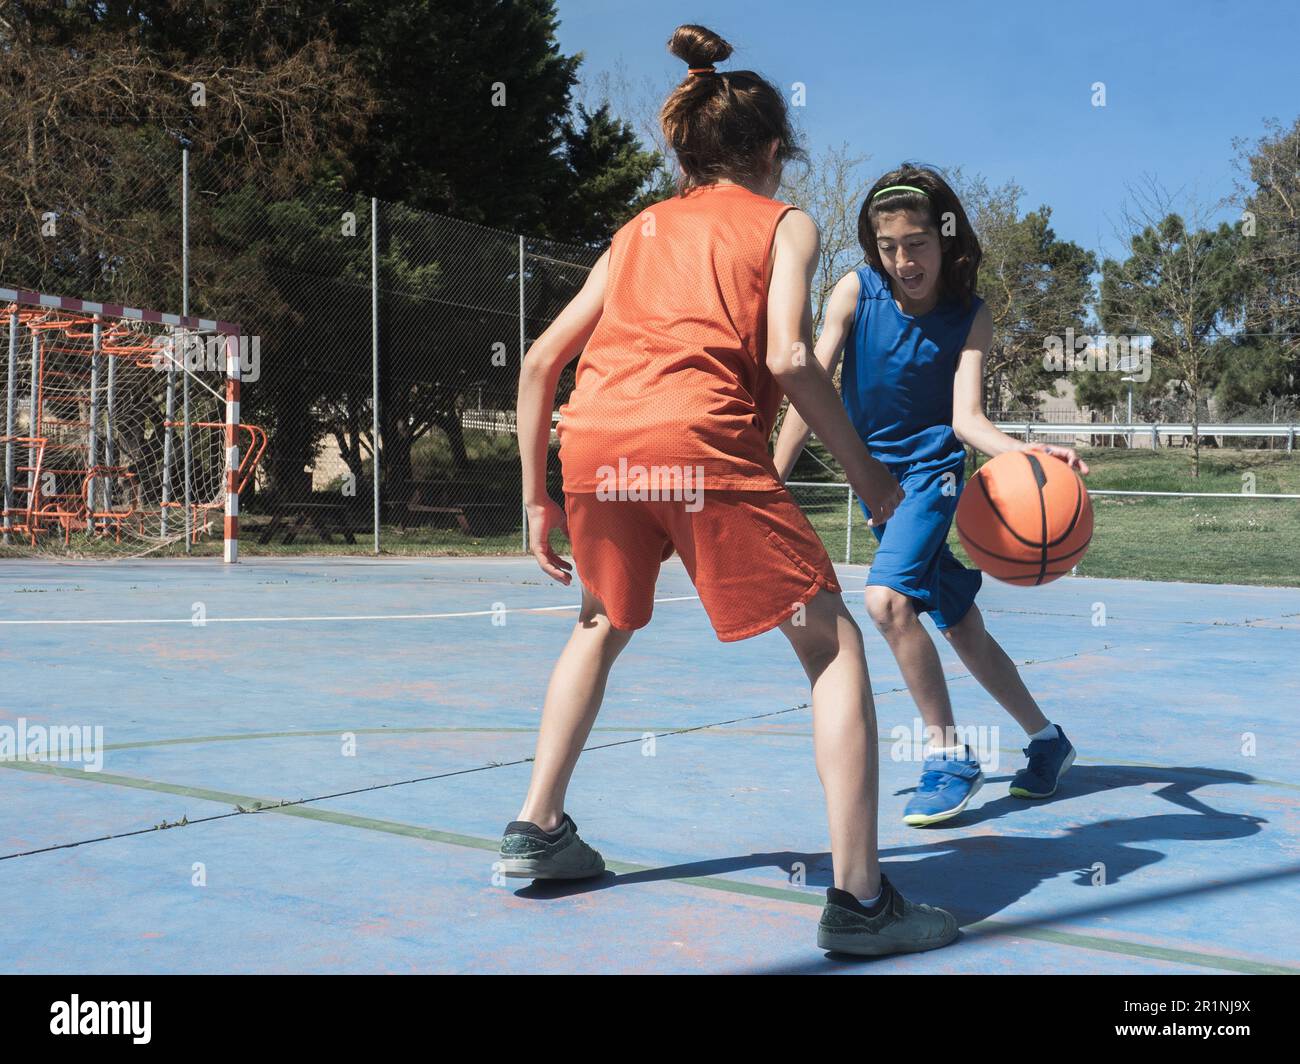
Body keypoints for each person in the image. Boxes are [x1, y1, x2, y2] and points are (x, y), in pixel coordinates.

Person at [498, 26, 957, 955]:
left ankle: (537, 828)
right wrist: (868, 476)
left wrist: (535, 500)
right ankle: (863, 903)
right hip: (695, 439)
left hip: (596, 445)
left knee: (601, 621)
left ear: (686, 150)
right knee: (832, 647)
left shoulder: (635, 230)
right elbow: (788, 354)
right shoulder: (784, 223)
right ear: (774, 152)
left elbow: (544, 359)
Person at [773, 164, 1088, 827]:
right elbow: (808, 383)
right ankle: (1047, 740)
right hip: (873, 479)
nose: (902, 259)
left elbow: (967, 419)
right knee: (960, 623)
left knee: (888, 604)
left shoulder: (971, 316)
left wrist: (1028, 453)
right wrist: (772, 473)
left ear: (947, 241)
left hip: (931, 475)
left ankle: (947, 755)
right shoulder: (856, 292)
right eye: (888, 246)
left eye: (916, 243)